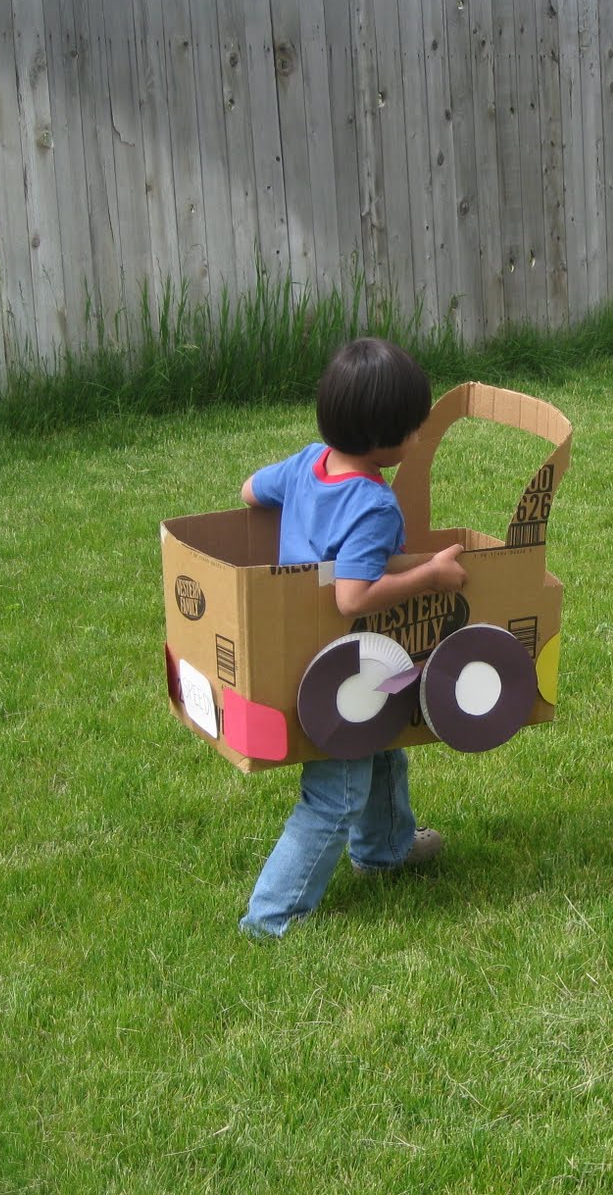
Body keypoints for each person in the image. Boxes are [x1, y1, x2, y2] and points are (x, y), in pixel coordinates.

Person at [238, 338, 466, 938]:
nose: (416, 438)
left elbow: (248, 492)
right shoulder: (373, 505)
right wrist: (431, 576)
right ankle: (271, 917)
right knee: (334, 795)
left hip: (309, 650)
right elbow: (352, 597)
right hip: (337, 667)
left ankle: (387, 849)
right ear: (385, 440)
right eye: (412, 430)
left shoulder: (307, 463)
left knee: (384, 738)